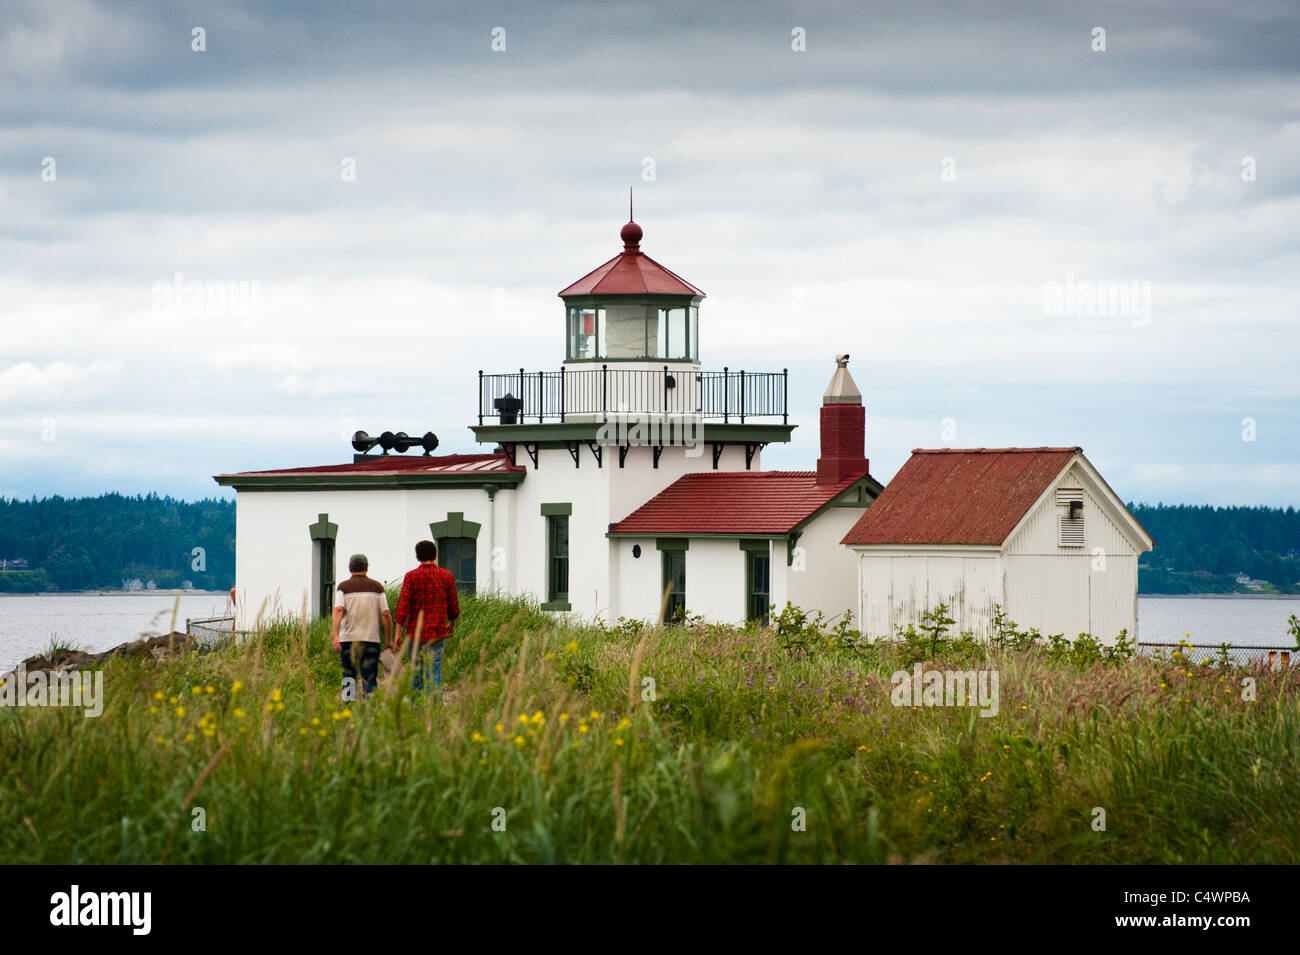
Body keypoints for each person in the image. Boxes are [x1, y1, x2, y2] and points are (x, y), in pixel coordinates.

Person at [393, 540, 459, 698]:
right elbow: (453, 605)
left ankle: (415, 710)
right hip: (437, 632)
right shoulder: (446, 576)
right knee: (434, 674)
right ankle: (433, 711)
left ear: (417, 557)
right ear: (435, 556)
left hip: (415, 634)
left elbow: (403, 606)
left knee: (416, 674)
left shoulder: (411, 577)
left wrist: (397, 634)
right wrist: (451, 624)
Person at [332, 554, 393, 699]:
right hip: (370, 639)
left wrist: (336, 636)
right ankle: (370, 705)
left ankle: (348, 704)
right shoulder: (377, 587)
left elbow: (338, 610)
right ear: (366, 568)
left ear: (349, 568)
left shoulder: (343, 587)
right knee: (369, 675)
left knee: (348, 674)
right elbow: (385, 614)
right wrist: (388, 639)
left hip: (348, 640)